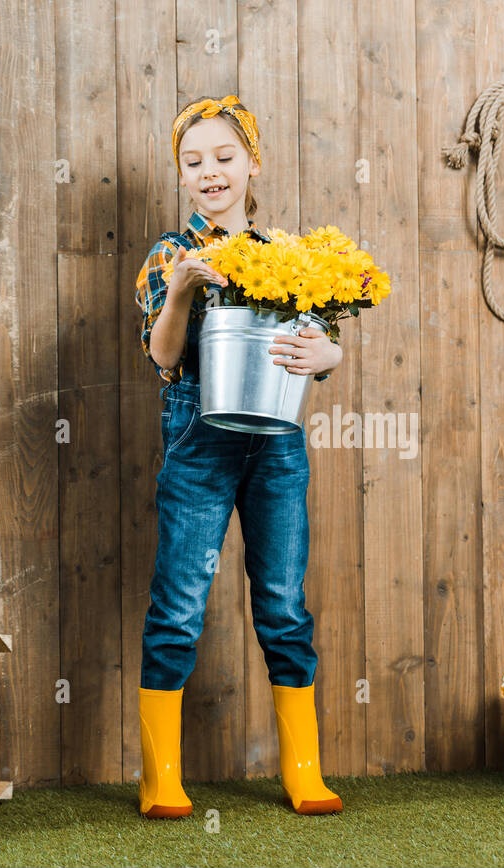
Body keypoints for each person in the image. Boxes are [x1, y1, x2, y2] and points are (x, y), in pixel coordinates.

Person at [132, 94, 343, 817]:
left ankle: (303, 770)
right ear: (181, 175)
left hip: (278, 439)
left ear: (254, 163)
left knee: (283, 604)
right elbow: (163, 359)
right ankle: (161, 776)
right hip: (201, 435)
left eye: (224, 157)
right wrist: (182, 293)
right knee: (181, 604)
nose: (209, 173)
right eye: (193, 163)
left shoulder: (290, 259)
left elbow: (313, 346)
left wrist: (331, 351)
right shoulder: (170, 254)